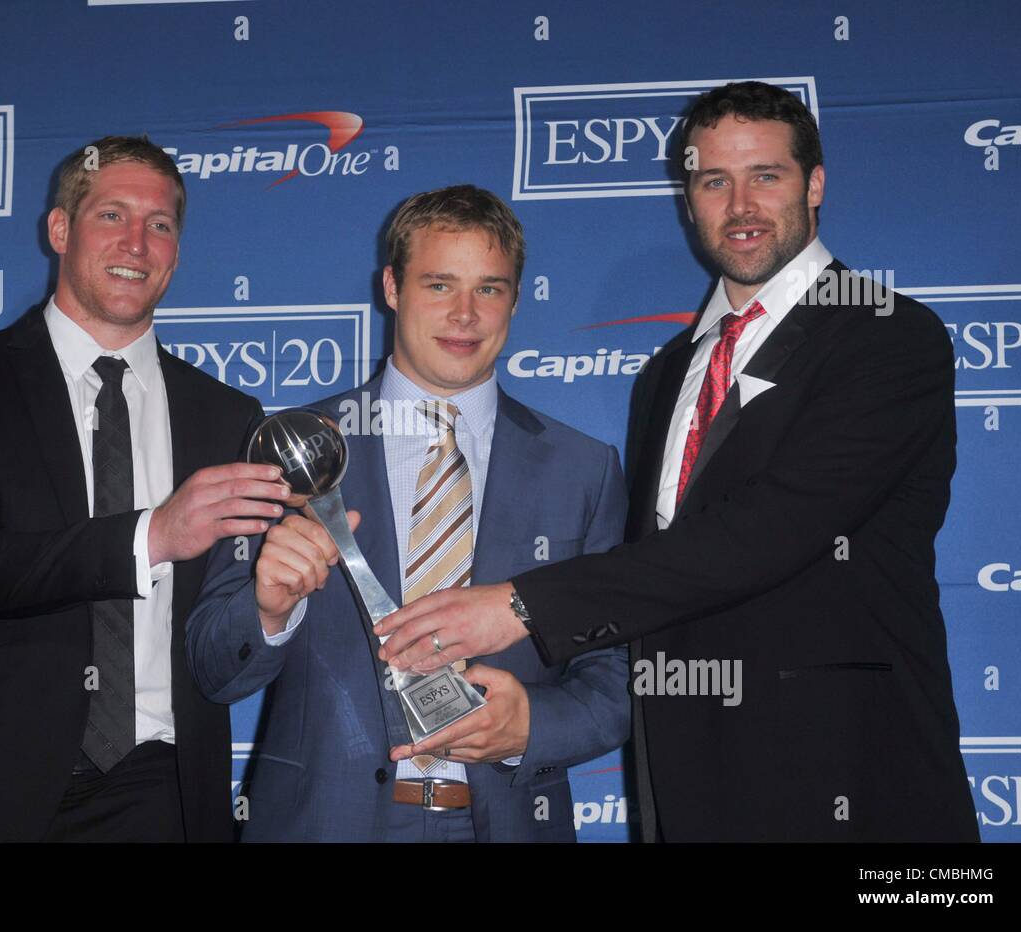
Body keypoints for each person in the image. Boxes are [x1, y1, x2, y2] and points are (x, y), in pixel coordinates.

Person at [376, 83, 979, 842]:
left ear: (815, 183)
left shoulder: (886, 337)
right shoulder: (668, 373)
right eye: (713, 181)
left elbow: (770, 531)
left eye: (766, 175)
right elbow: (648, 579)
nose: (741, 205)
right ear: (687, 197)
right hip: (687, 793)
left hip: (847, 786)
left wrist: (521, 604)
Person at [0, 136, 291, 842]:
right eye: (112, 215)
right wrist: (152, 536)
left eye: (161, 224)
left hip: (161, 793)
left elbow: (220, 640)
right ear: (60, 229)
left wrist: (272, 608)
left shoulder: (228, 416)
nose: (137, 243)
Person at [186, 185, 630, 842]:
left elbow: (616, 678)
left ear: (515, 299)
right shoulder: (291, 451)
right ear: (392, 287)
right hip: (323, 824)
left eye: (490, 288)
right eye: (440, 285)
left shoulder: (582, 469)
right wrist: (271, 610)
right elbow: (213, 668)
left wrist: (530, 727)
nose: (465, 314)